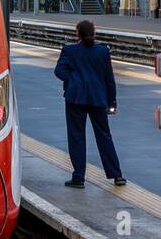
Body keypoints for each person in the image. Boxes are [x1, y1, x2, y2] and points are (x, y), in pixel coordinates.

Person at [54, 19, 127, 189]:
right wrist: (112, 102)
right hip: (98, 99)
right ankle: (117, 175)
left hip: (75, 99)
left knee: (76, 137)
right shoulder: (103, 52)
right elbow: (109, 80)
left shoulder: (70, 50)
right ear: (94, 33)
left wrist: (73, 81)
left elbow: (59, 71)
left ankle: (78, 178)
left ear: (77, 34)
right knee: (104, 136)